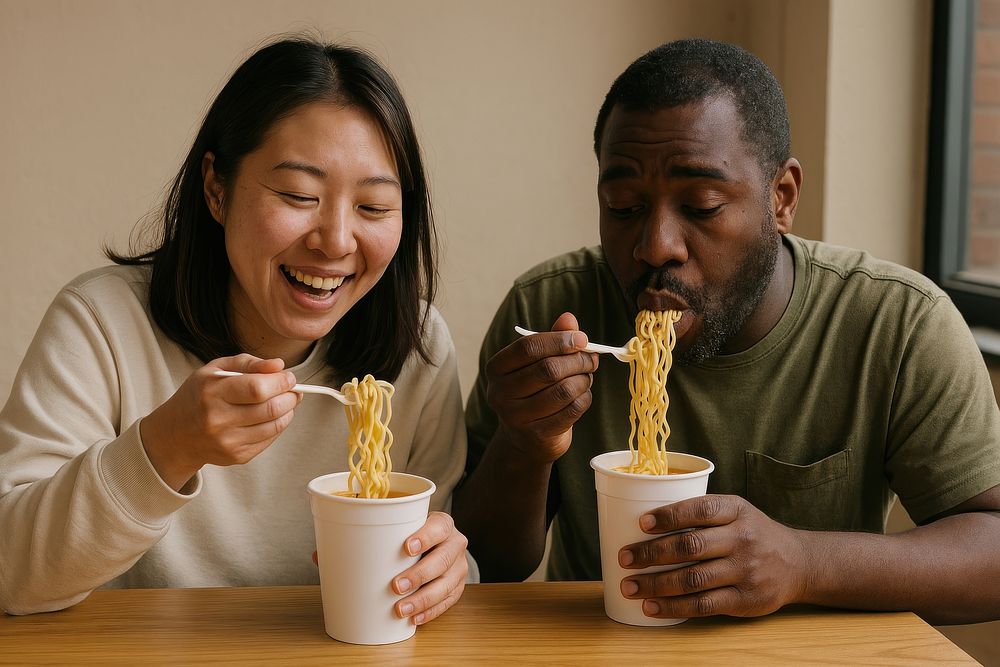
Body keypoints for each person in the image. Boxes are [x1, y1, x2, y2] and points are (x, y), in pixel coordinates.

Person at [455, 38, 1000, 625]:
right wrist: (525, 444)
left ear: (782, 198)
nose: (655, 246)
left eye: (703, 204)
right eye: (622, 206)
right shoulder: (550, 307)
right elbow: (485, 562)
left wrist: (805, 563)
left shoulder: (894, 324)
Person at [0, 37, 472, 622]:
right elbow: (11, 574)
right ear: (217, 189)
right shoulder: (101, 323)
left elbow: (432, 558)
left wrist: (449, 570)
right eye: (299, 195)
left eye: (373, 208)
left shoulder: (417, 347)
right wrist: (166, 447)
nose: (336, 240)